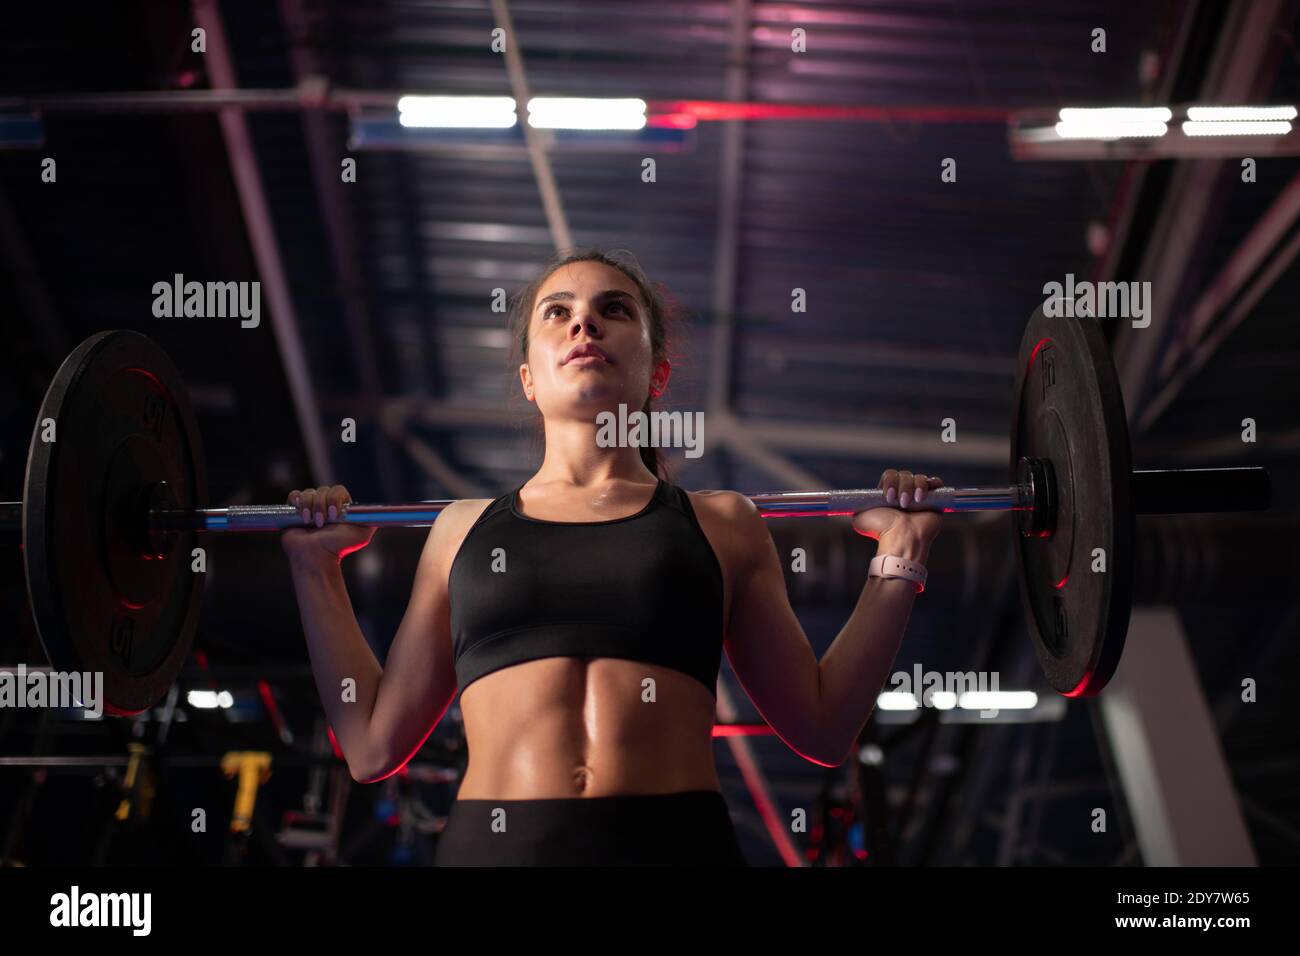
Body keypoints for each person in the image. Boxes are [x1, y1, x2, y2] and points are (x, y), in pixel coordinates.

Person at [280, 248, 943, 865]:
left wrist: (899, 557)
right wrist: (315, 570)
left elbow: (822, 730)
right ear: (528, 378)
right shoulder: (459, 531)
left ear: (657, 371)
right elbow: (372, 747)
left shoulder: (723, 524)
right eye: (558, 312)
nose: (585, 324)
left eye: (614, 310)